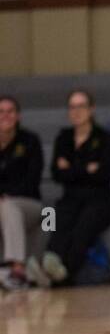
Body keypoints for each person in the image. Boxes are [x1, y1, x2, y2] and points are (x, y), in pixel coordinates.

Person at [25, 89, 110, 288]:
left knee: (82, 228)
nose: (76, 111)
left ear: (91, 109)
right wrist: (87, 169)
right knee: (53, 218)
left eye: (81, 106)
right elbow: (57, 174)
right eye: (72, 107)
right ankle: (48, 261)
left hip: (100, 200)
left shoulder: (105, 138)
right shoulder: (63, 138)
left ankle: (62, 274)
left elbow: (103, 174)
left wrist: (72, 169)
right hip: (70, 197)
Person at [0, 95, 45, 292]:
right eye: (1, 112)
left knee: (8, 207)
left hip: (29, 205)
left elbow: (32, 179)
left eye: (10, 111)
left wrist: (7, 195)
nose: (5, 115)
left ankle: (18, 271)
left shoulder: (29, 141)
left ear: (18, 116)